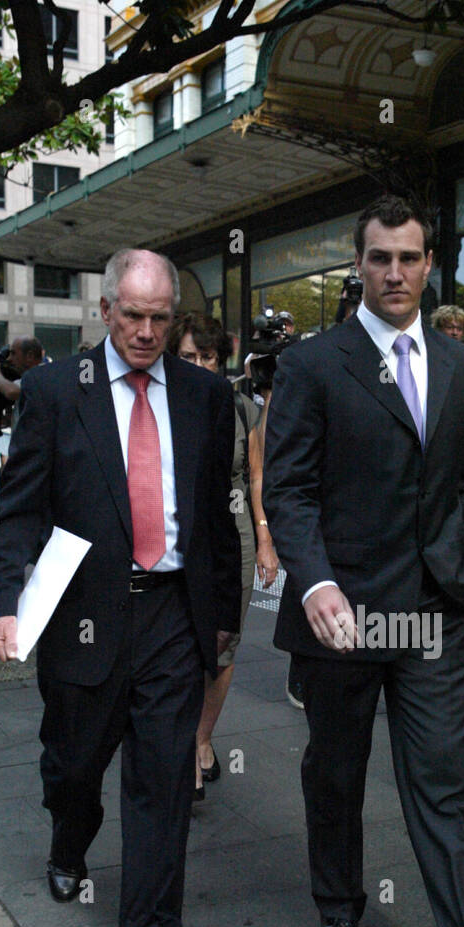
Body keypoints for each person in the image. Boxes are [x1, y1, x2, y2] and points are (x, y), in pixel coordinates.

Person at [263, 193, 464, 927]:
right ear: (359, 264)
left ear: (429, 264)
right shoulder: (313, 364)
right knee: (337, 774)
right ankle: (339, 911)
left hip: (438, 611)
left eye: (409, 257)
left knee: (448, 780)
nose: (394, 272)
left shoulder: (462, 365)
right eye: (379, 257)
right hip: (344, 613)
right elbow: (288, 488)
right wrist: (313, 582)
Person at [0, 249, 241, 927]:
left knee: (163, 774)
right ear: (105, 312)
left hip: (170, 613)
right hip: (82, 614)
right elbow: (21, 509)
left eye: (161, 318)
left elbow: (215, 523)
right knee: (75, 765)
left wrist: (221, 619)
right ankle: (69, 839)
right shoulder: (59, 390)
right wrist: (3, 605)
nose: (147, 331)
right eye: (133, 315)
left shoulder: (204, 396)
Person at [168, 312, 279, 798]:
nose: (197, 365)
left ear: (220, 360)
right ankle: (175, 742)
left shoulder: (240, 410)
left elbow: (256, 476)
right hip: (176, 537)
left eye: (206, 357)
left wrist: (265, 540)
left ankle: (201, 739)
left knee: (223, 641)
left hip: (233, 536)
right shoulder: (158, 407)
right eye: (187, 356)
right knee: (179, 643)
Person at [0, 336, 44, 420]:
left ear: (30, 356)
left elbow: (11, 391)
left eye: (13, 353)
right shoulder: (28, 379)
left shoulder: (41, 378)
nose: (9, 359)